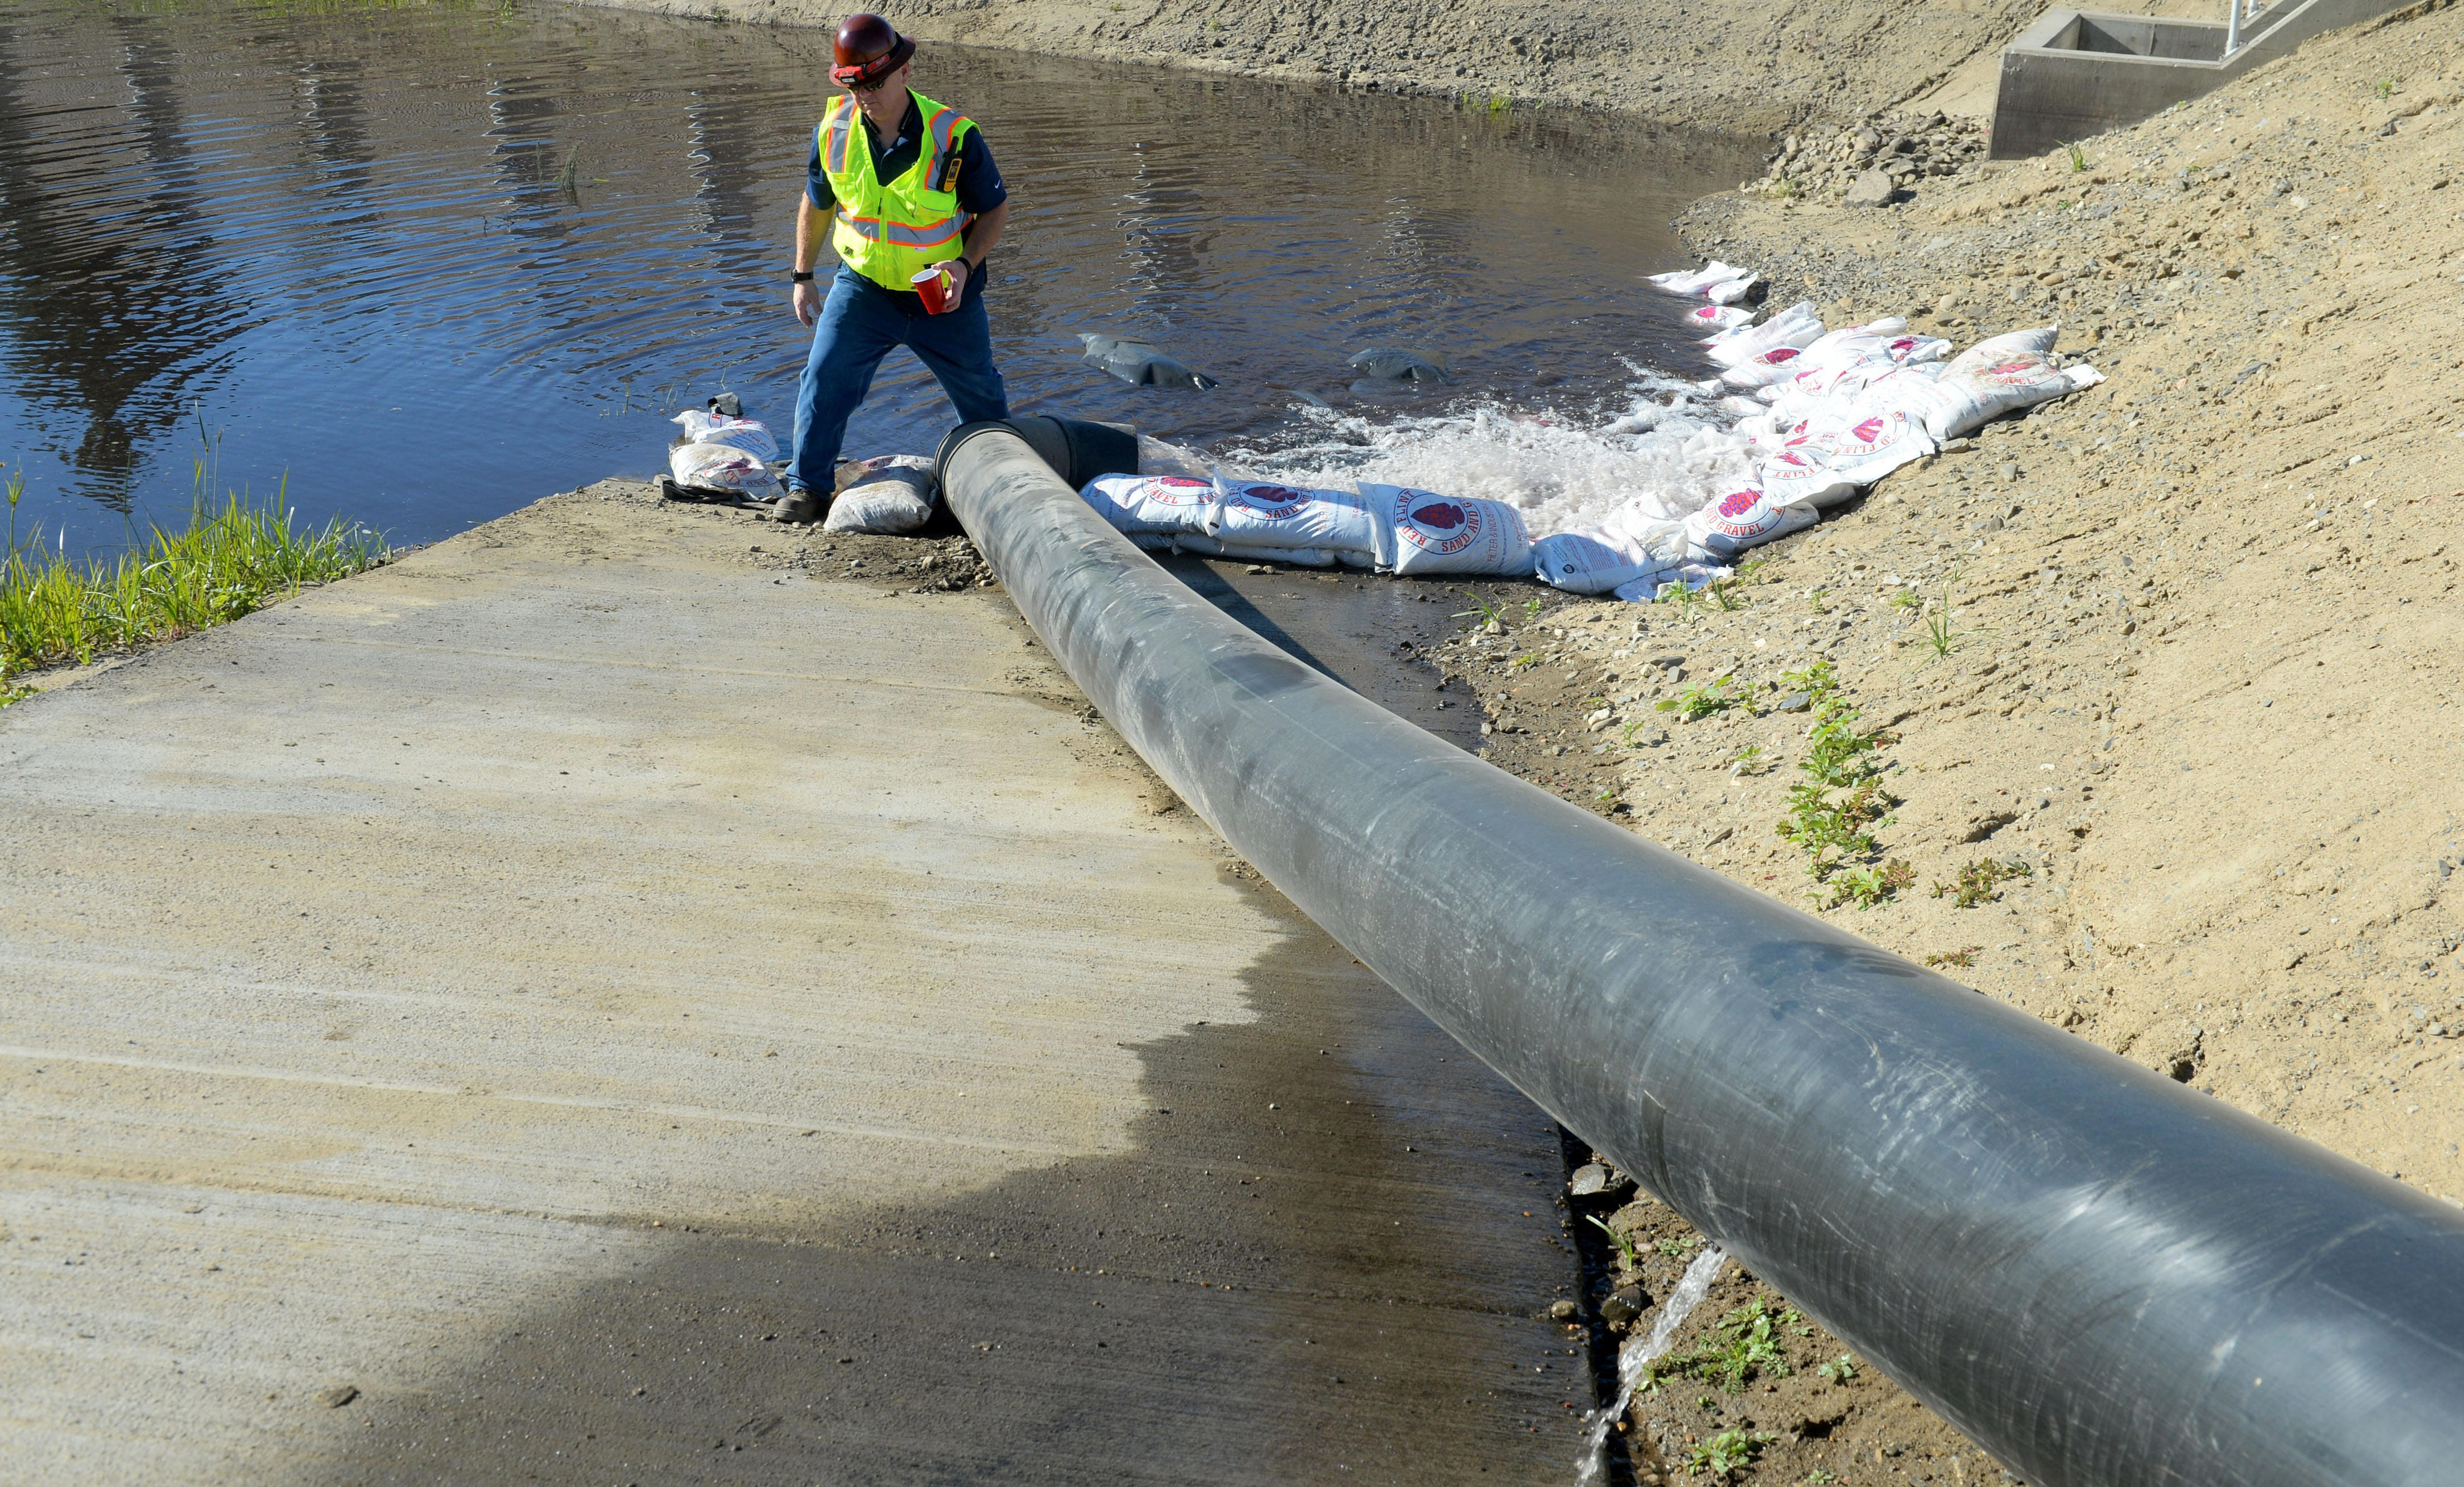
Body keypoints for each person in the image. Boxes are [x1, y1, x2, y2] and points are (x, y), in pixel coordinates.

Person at [779, 13, 1012, 523]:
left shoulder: (954, 135)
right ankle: (807, 488)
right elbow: (817, 204)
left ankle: (1003, 496)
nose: (866, 95)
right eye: (856, 85)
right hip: (863, 291)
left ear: (904, 73)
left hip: (944, 296)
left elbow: (994, 210)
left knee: (983, 404)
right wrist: (803, 276)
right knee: (823, 379)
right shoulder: (834, 130)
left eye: (876, 83)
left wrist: (965, 264)